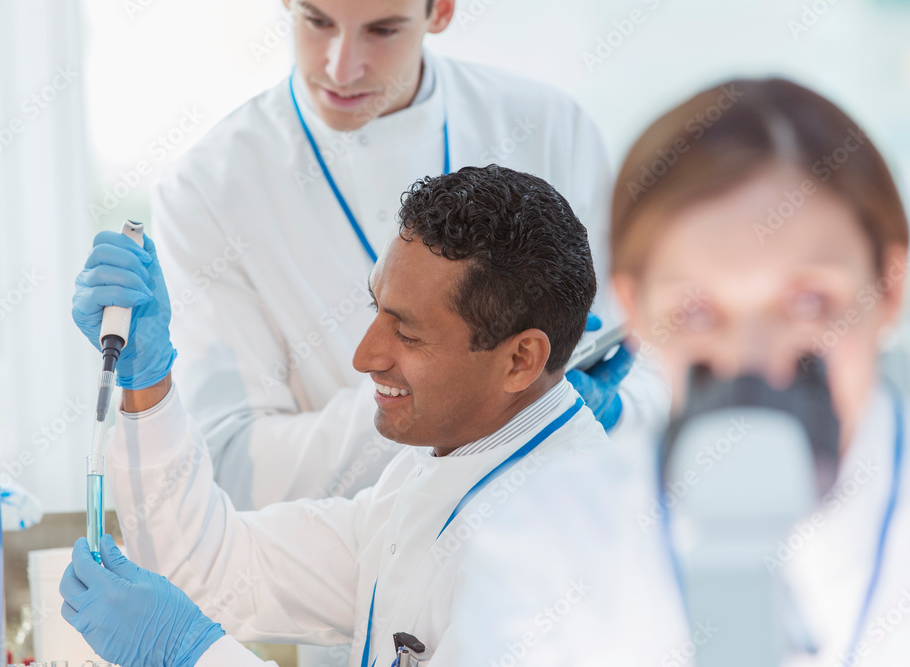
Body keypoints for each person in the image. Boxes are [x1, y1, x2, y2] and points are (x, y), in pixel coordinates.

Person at [64, 165, 634, 667]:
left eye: (408, 332)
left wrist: (193, 654)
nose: (365, 357)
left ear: (520, 359)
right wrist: (147, 380)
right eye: (375, 308)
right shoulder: (432, 475)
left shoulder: (556, 549)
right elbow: (215, 572)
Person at [448, 78, 910, 666]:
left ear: (890, 288)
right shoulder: (545, 544)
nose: (751, 361)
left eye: (809, 302)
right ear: (635, 311)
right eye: (695, 311)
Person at [152, 0, 664, 518]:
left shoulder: (550, 125)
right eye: (317, 21)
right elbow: (237, 468)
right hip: (336, 566)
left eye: (382, 30)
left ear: (440, 10)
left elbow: (643, 356)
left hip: (546, 532)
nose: (340, 67)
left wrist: (619, 412)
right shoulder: (208, 187)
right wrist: (483, 394)